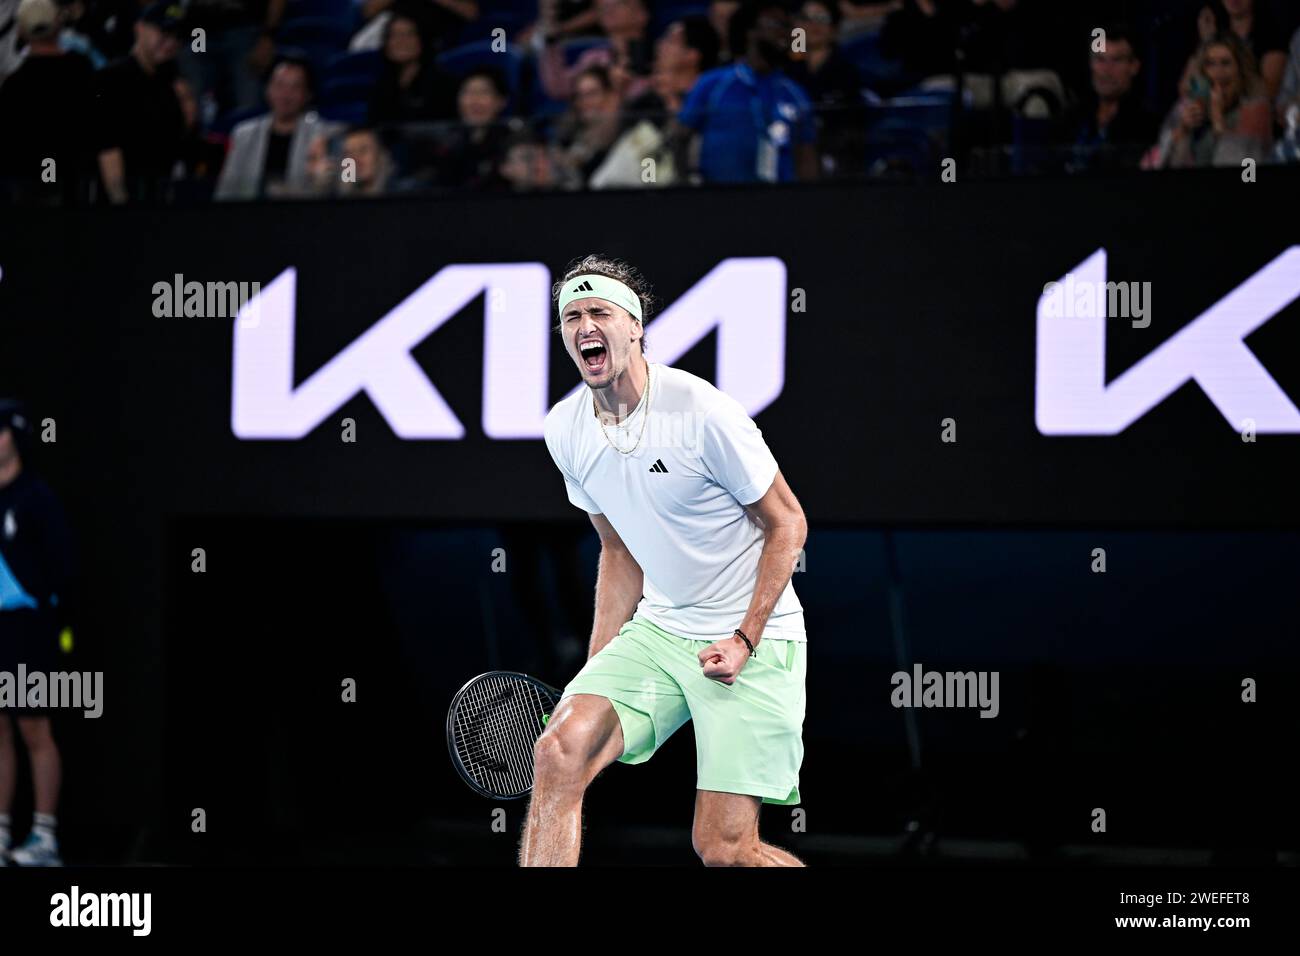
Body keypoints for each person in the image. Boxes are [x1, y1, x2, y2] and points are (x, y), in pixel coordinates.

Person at [522, 256, 809, 867]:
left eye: (598, 311)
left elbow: (788, 522)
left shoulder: (701, 412)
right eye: (571, 317)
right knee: (559, 752)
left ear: (635, 327)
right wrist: (597, 667)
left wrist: (743, 637)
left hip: (752, 641)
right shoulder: (565, 429)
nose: (583, 326)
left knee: (726, 850)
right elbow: (619, 549)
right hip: (659, 631)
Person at [0, 400, 76, 868]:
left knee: (34, 727)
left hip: (30, 629)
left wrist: (54, 626)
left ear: (16, 437)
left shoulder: (36, 497)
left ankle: (44, 837)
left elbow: (63, 570)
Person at [678, 0, 818, 183]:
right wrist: (685, 185)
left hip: (780, 202)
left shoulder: (795, 93)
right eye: (776, 25)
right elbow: (679, 138)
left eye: (788, 27)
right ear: (751, 32)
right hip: (719, 200)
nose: (784, 34)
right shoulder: (713, 84)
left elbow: (806, 158)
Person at [0, 0, 96, 203]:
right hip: (71, 180)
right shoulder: (81, 69)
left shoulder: (15, 83)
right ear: (58, 26)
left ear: (21, 32)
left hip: (32, 184)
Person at [93, 1, 186, 203]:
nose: (170, 42)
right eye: (163, 32)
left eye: (176, 36)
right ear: (139, 29)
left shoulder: (168, 84)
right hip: (121, 210)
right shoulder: (111, 79)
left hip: (157, 205)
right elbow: (108, 148)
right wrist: (122, 206)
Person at [214, 52, 340, 200]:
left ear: (307, 95)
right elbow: (226, 190)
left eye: (295, 87)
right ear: (268, 90)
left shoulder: (323, 134)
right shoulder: (243, 134)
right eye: (279, 85)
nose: (286, 94)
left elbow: (338, 187)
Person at [1147, 32, 1272, 169]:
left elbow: (1249, 174)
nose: (1218, 73)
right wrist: (1182, 130)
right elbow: (1157, 166)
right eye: (1210, 64)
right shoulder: (1189, 105)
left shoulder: (1256, 108)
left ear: (1241, 69)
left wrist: (1218, 121)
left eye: (1226, 63)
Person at [1061, 23, 1158, 172]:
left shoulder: (1147, 126)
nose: (1106, 71)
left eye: (1117, 60)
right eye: (1100, 59)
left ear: (1134, 67)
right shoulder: (1069, 119)